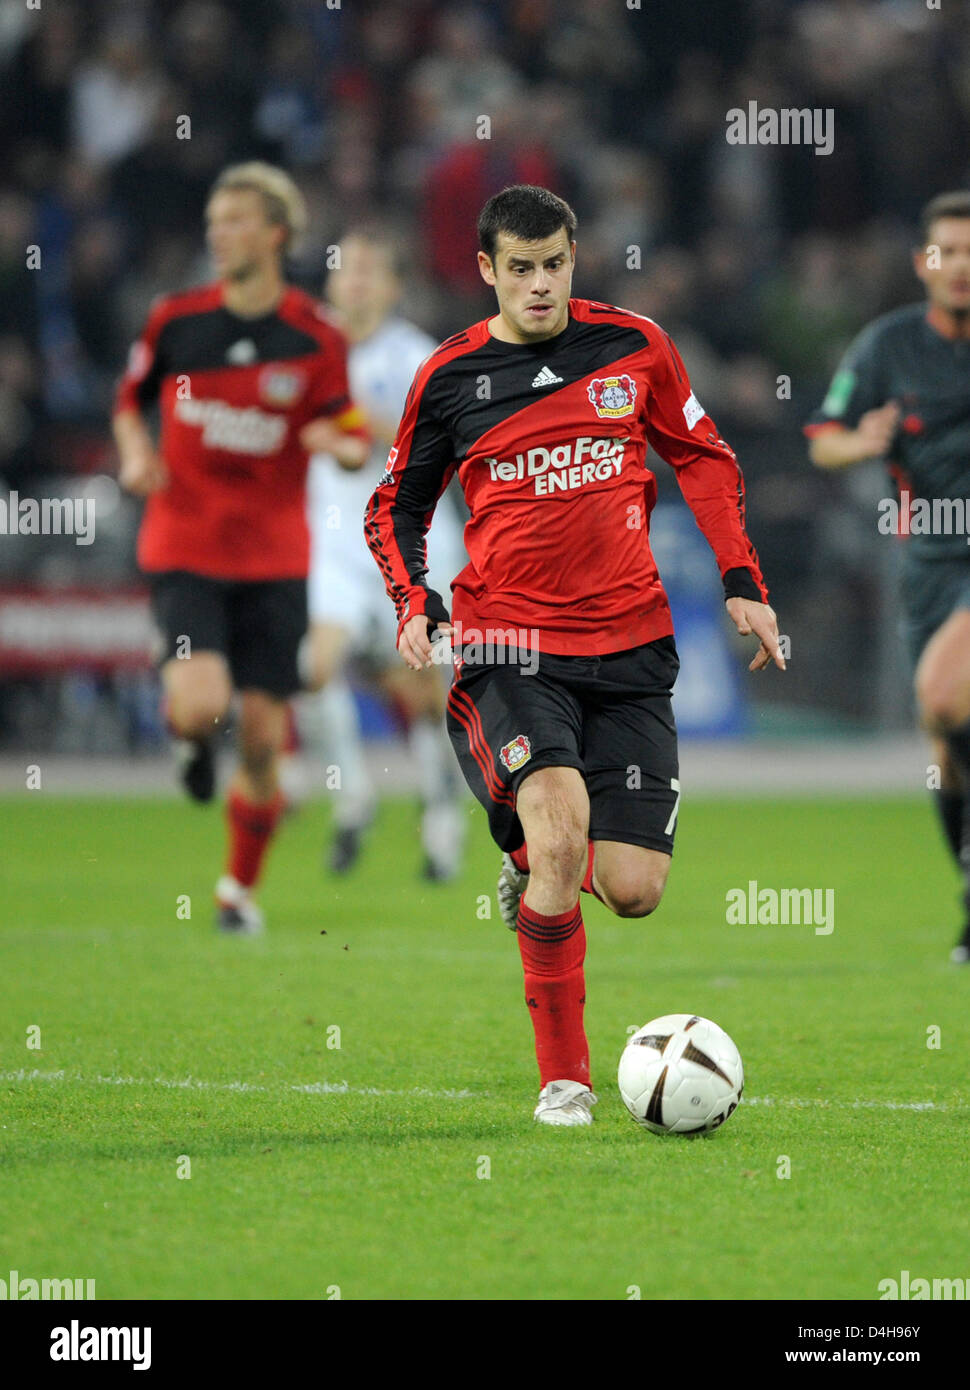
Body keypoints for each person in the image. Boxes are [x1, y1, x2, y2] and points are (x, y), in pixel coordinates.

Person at [365, 184, 783, 1125]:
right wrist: (413, 600)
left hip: (633, 645)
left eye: (555, 263)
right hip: (510, 645)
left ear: (574, 256)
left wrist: (742, 583)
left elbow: (705, 457)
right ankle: (566, 1082)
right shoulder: (449, 378)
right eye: (521, 269)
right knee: (561, 838)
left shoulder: (636, 347)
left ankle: (526, 857)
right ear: (487, 271)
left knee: (632, 890)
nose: (542, 284)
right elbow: (394, 504)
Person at [114, 161, 368, 934]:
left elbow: (349, 430)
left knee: (261, 742)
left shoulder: (313, 335)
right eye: (214, 222)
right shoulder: (177, 320)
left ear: (276, 233)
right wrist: (134, 454)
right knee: (201, 707)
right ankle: (191, 745)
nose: (219, 234)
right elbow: (131, 403)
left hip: (275, 561)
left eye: (235, 220)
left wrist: (340, 443)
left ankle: (234, 894)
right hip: (187, 544)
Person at [806, 190, 970, 963]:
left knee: (944, 694)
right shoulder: (889, 345)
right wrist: (861, 440)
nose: (961, 266)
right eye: (947, 251)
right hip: (930, 564)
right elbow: (823, 442)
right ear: (923, 263)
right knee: (945, 744)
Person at [300, 228, 467, 878]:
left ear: (394, 287)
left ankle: (440, 810)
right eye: (346, 267)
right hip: (335, 543)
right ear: (330, 281)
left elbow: (422, 433)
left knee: (424, 690)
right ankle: (353, 798)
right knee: (314, 668)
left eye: (372, 268)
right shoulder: (307, 347)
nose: (357, 279)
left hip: (413, 542)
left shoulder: (418, 355)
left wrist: (337, 418)